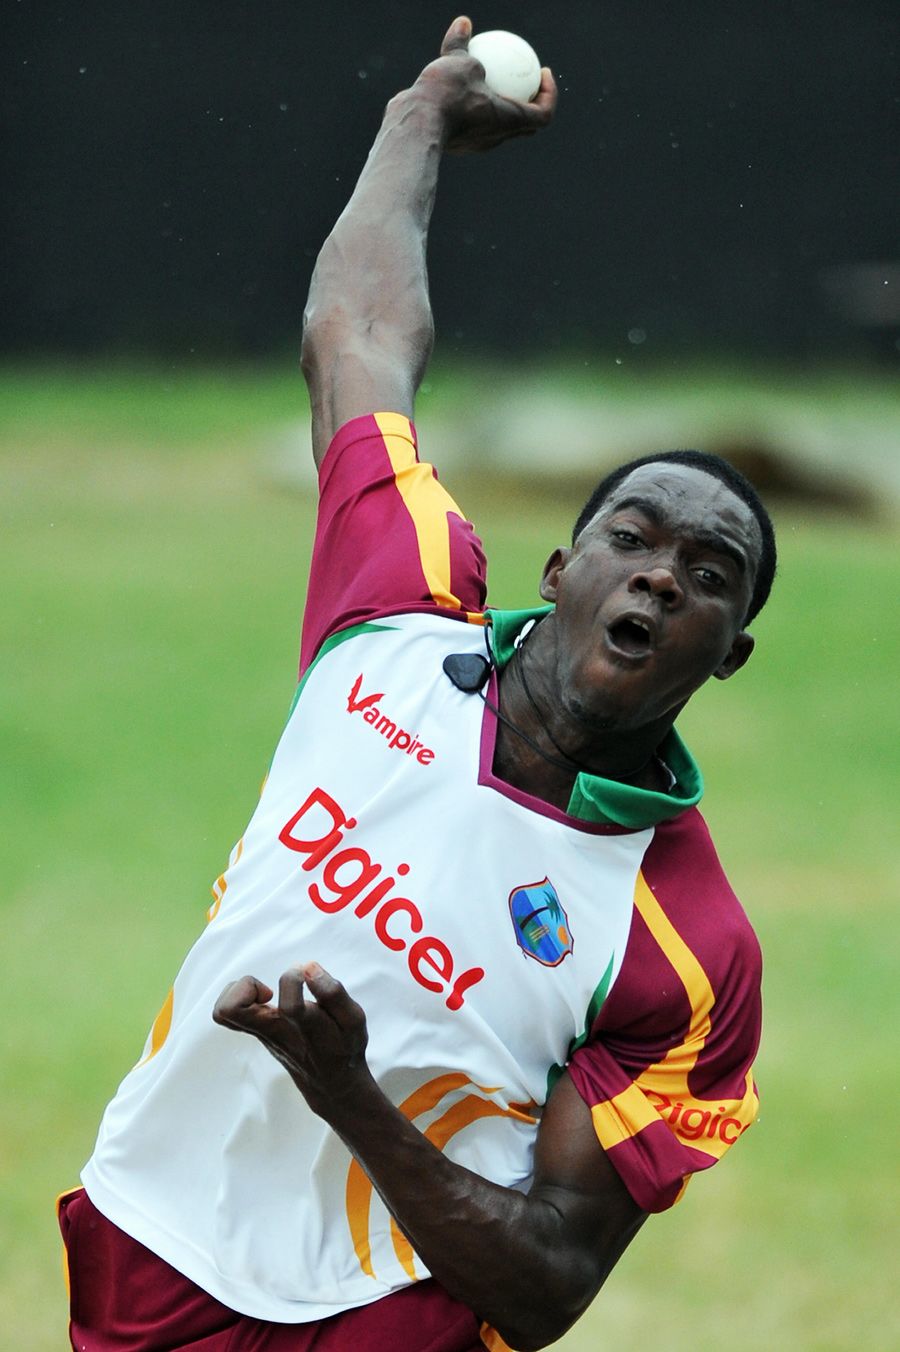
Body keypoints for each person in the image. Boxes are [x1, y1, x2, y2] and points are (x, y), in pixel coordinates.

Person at [61, 18, 774, 1352]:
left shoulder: (689, 946)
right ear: (564, 566)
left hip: (394, 1314)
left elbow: (552, 1279)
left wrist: (355, 1099)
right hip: (155, 1228)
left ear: (726, 651)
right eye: (632, 539)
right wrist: (419, 118)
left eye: (710, 572)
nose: (663, 578)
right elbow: (361, 336)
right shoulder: (396, 612)